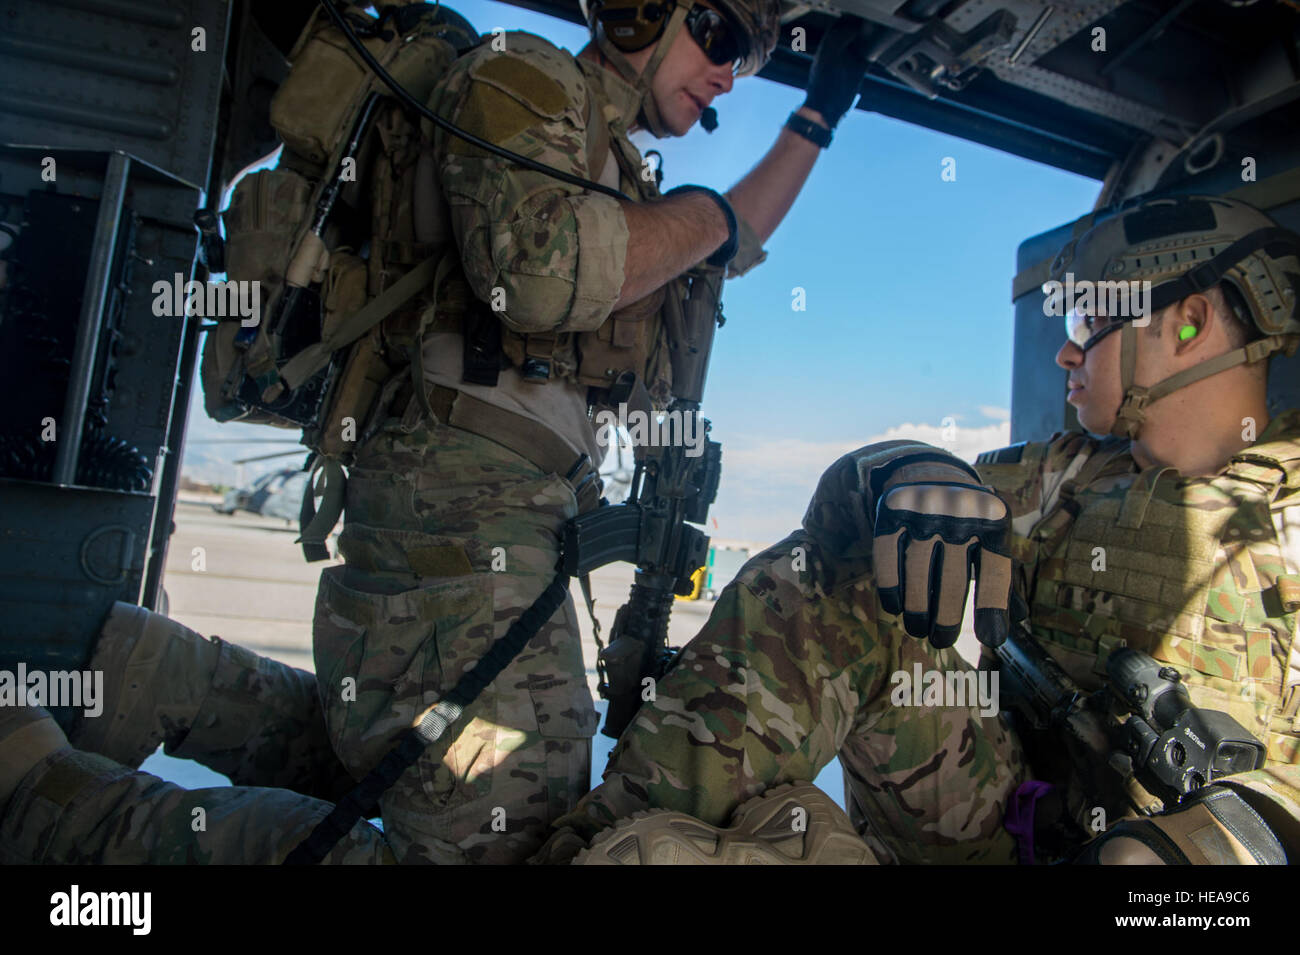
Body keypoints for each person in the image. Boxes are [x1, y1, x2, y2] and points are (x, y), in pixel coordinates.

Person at [0, 3, 875, 864]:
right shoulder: (523, 74)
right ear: (640, 12)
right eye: (719, 37)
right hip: (455, 509)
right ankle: (58, 810)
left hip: (506, 523)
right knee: (501, 827)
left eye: (750, 61)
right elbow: (540, 273)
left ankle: (162, 680)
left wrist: (816, 120)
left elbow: (727, 238)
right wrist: (709, 219)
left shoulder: (616, 174)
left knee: (440, 764)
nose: (728, 74)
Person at [534, 194, 1300, 865]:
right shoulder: (1067, 476)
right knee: (834, 589)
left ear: (1192, 321)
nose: (1066, 349)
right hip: (1010, 819)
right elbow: (843, 532)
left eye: (1091, 318)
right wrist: (891, 469)